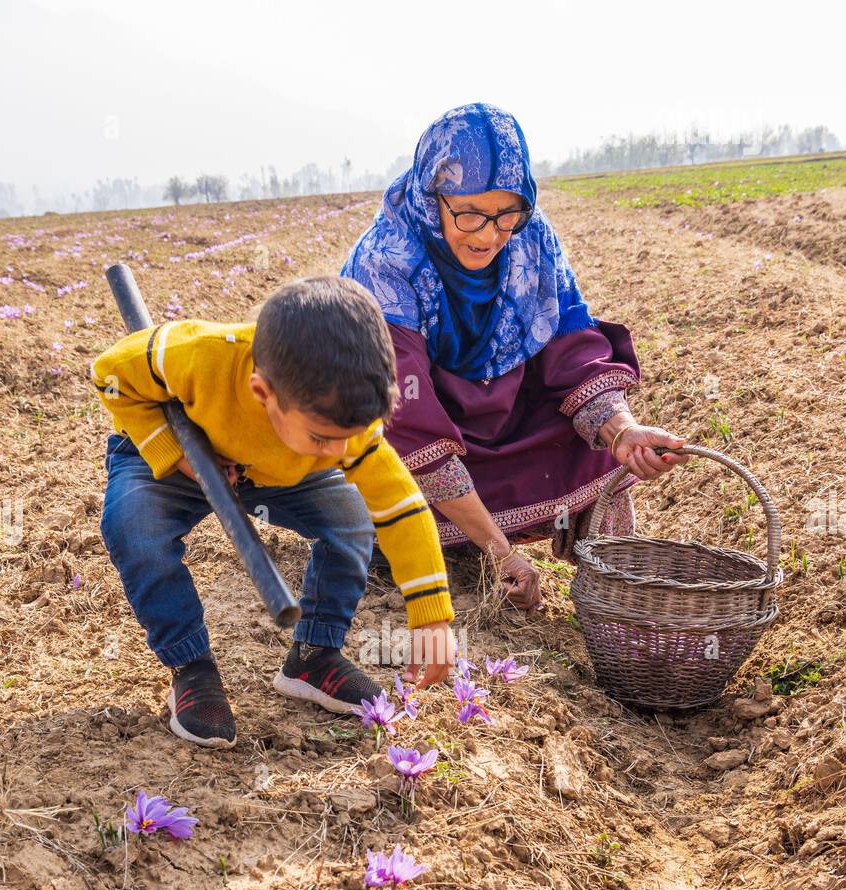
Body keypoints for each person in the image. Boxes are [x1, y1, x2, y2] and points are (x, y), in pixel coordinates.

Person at [342, 102, 688, 611]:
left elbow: (571, 345)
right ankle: (453, 537)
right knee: (387, 493)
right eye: (470, 214)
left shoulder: (531, 239)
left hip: (503, 414)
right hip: (424, 428)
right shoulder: (385, 262)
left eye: (507, 215)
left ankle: (610, 599)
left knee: (593, 444)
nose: (489, 235)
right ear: (432, 194)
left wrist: (622, 430)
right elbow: (405, 415)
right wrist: (501, 554)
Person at [92, 276, 456, 749]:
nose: (342, 450)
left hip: (279, 466)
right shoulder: (197, 355)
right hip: (171, 457)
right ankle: (192, 667)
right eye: (326, 437)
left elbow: (402, 508)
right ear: (263, 392)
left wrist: (432, 617)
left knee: (351, 521)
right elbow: (110, 375)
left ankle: (313, 656)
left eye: (353, 435)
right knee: (135, 528)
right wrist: (176, 452)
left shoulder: (341, 426)